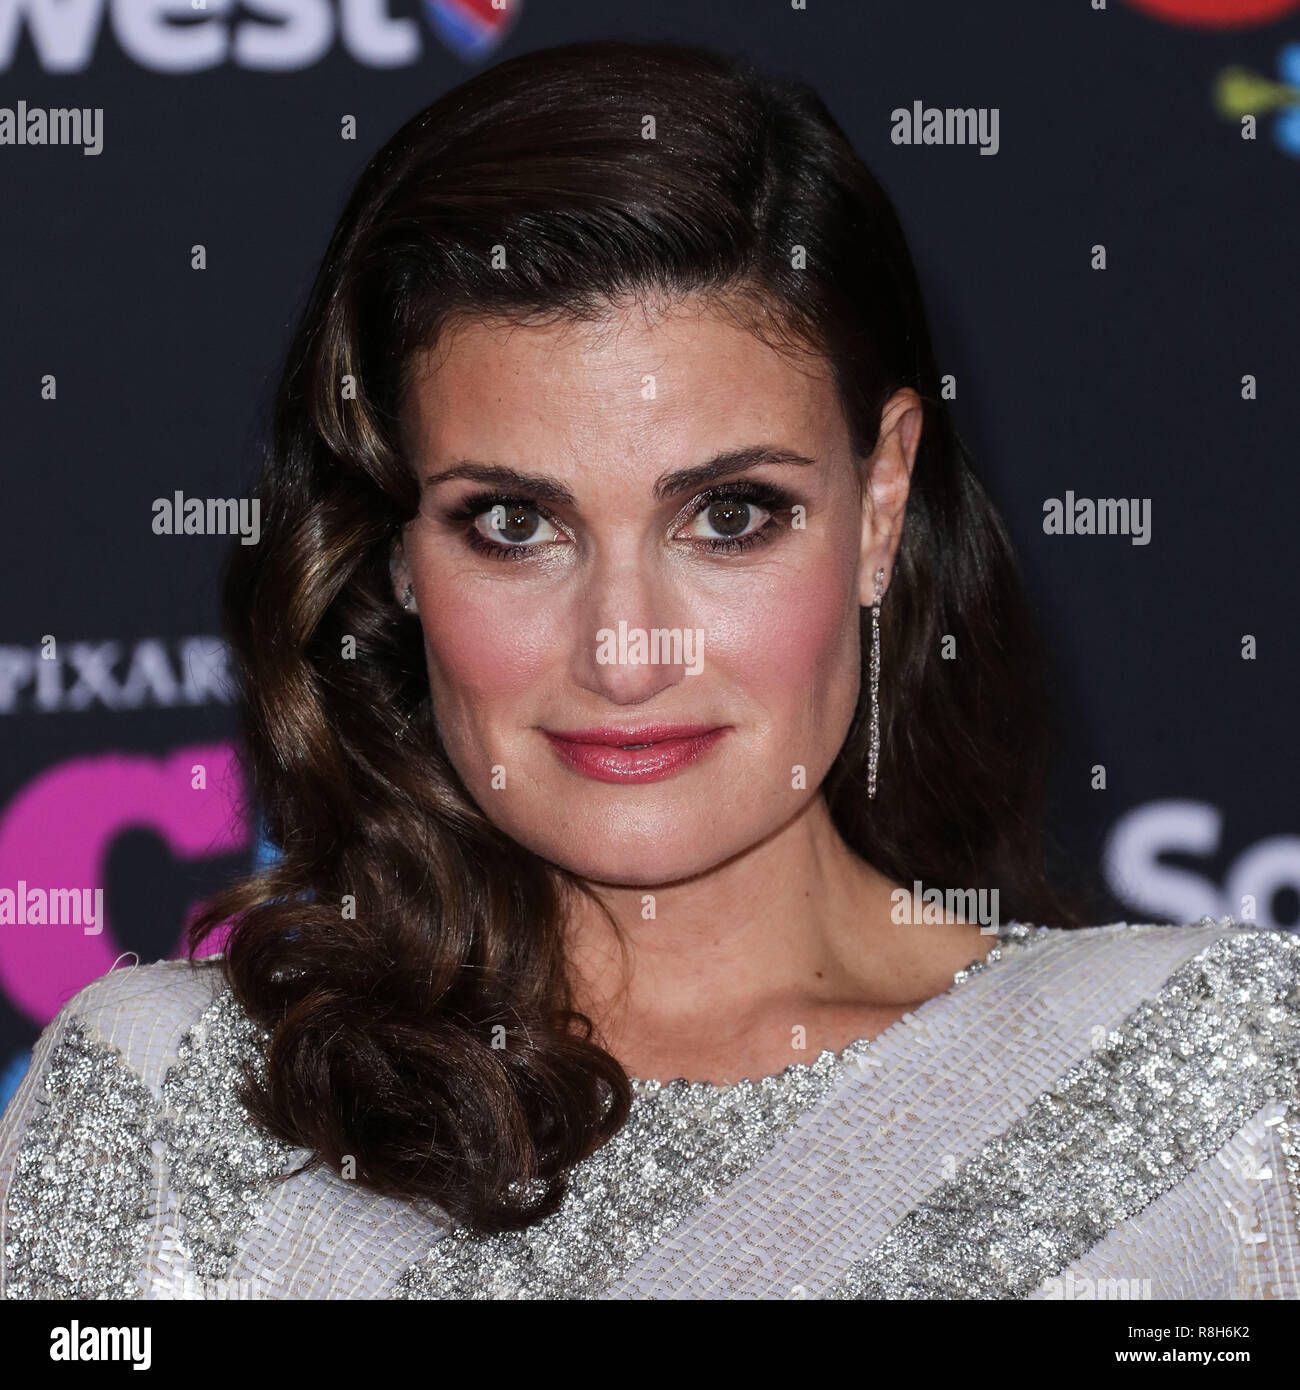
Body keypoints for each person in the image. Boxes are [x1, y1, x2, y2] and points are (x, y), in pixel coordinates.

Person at [2, 40, 1296, 1301]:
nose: (624, 651)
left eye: (729, 516)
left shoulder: (1225, 1079)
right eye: (514, 524)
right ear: (395, 554)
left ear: (882, 501)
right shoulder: (171, 1107)